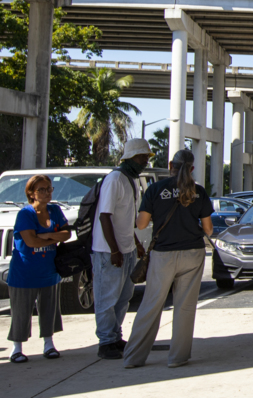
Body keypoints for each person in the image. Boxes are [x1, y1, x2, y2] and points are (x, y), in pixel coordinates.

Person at [124, 149, 215, 368]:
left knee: (151, 304)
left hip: (163, 254)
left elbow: (142, 224)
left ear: (169, 165)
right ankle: (177, 358)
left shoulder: (155, 190)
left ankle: (134, 357)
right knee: (185, 307)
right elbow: (209, 229)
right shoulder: (199, 192)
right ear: (192, 168)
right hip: (192, 253)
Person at [92, 138, 151, 360]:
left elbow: (126, 220)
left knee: (123, 297)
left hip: (126, 249)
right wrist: (114, 250)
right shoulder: (114, 179)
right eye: (142, 157)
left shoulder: (132, 181)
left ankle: (115, 336)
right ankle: (106, 341)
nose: (145, 161)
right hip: (109, 252)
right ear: (130, 158)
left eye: (146, 157)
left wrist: (135, 244)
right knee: (107, 298)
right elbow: (105, 216)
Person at [6, 174, 71, 363]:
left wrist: (46, 236)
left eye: (49, 188)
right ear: (31, 193)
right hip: (24, 272)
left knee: (49, 309)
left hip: (49, 270)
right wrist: (53, 236)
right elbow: (31, 241)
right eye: (41, 189)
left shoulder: (55, 210)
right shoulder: (25, 214)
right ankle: (17, 348)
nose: (46, 193)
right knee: (21, 311)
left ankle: (49, 344)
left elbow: (66, 234)